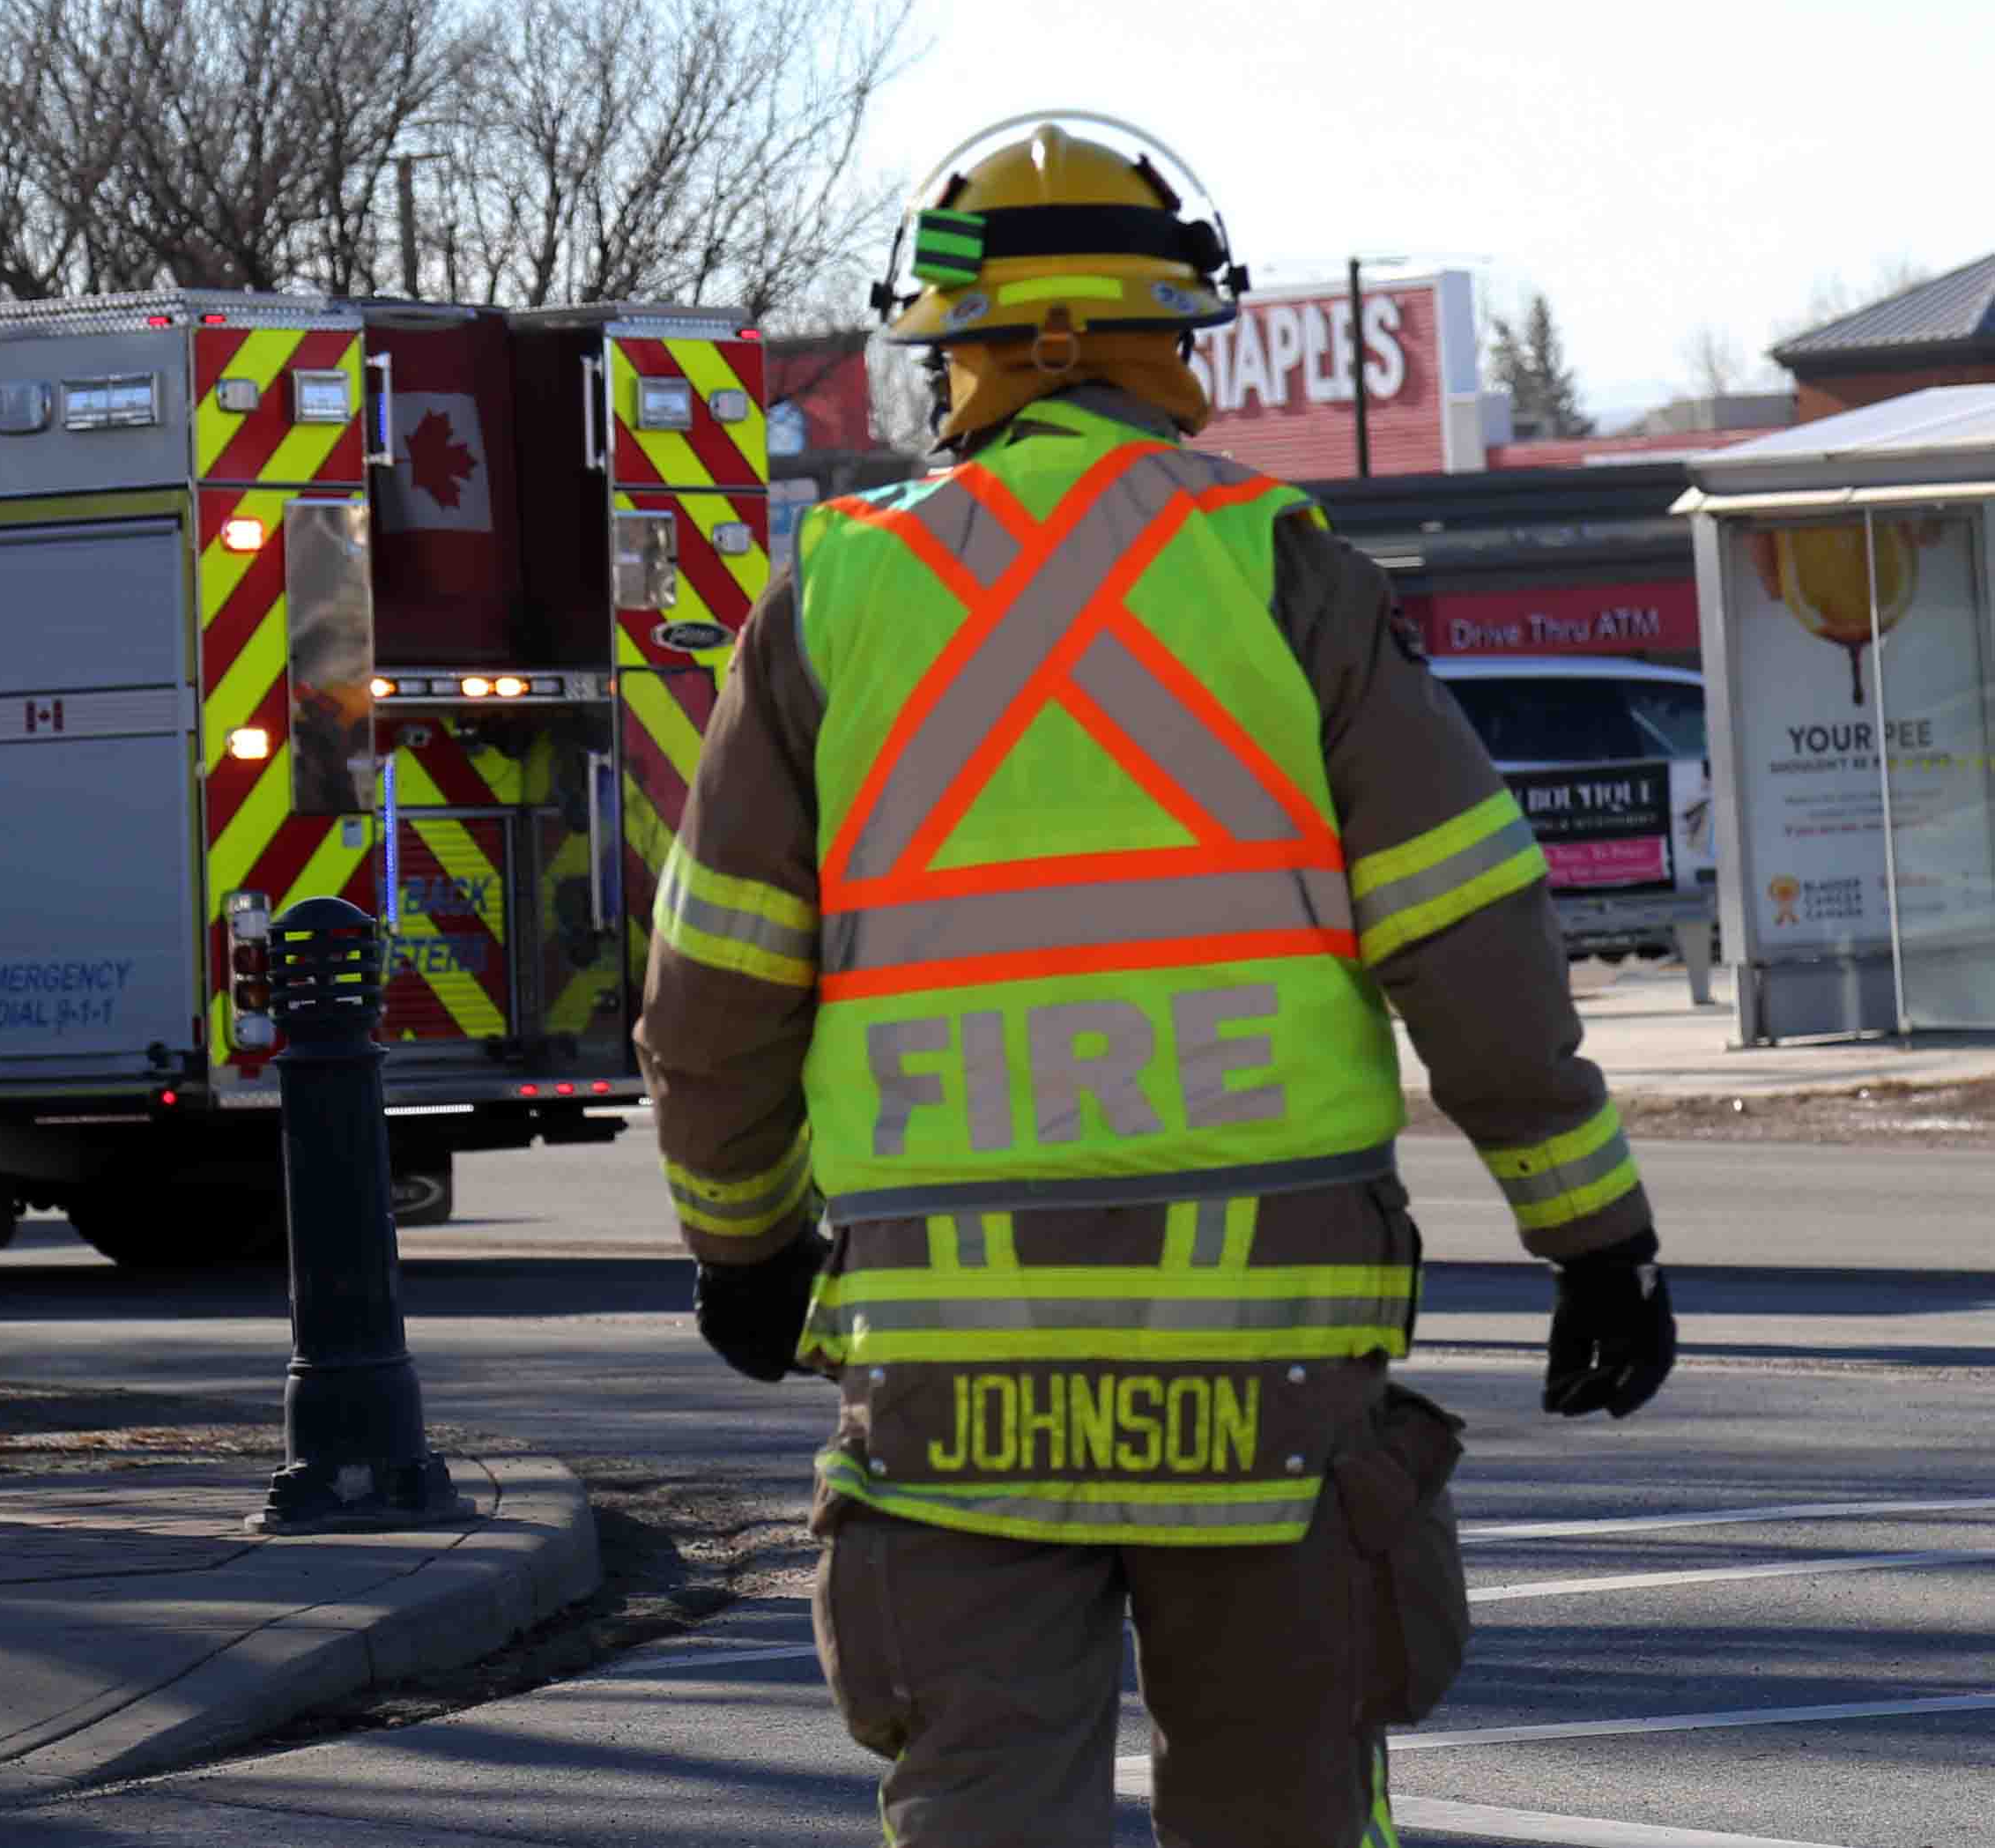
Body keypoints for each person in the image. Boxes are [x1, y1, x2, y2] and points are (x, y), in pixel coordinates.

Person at [634, 111, 1678, 1848]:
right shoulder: (1285, 567)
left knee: (980, 1810)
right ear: (1176, 338)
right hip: (1263, 1364)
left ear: (947, 350)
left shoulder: (832, 595)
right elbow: (1466, 932)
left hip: (948, 1367)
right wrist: (1594, 1237)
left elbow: (718, 988)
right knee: (1282, 1808)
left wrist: (739, 1243)